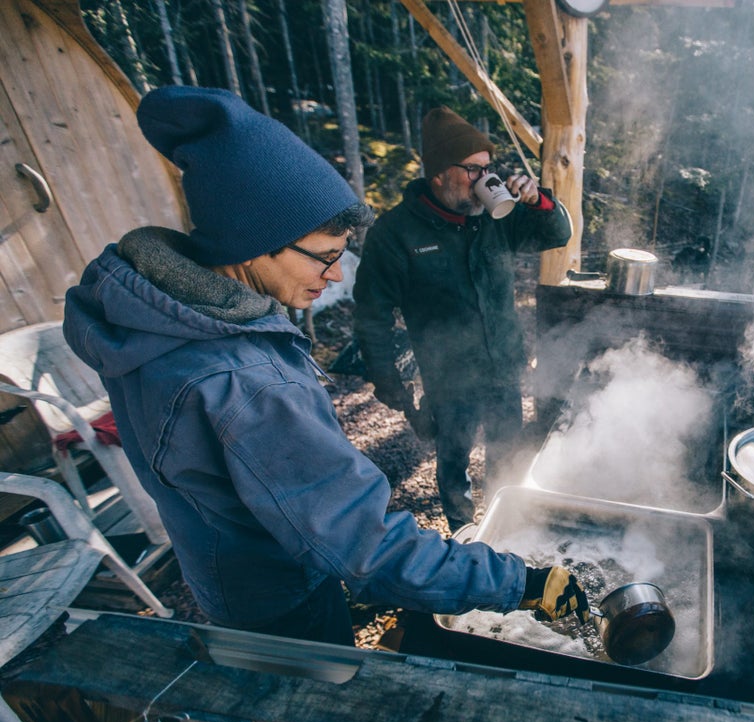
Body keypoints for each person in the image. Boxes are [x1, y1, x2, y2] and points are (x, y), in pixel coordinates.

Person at [62, 86, 586, 646]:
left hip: (236, 573)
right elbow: (363, 543)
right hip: (285, 595)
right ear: (254, 241)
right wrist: (519, 583)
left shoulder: (161, 317)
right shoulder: (245, 380)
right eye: (326, 256)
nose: (336, 275)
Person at [352, 107, 572, 532]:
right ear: (438, 174)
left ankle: (505, 529)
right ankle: (464, 532)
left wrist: (539, 200)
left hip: (503, 364)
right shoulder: (395, 233)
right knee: (453, 460)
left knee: (507, 454)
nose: (484, 179)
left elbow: (557, 234)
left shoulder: (496, 216)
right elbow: (372, 315)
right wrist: (391, 385)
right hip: (448, 377)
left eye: (488, 169)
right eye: (473, 170)